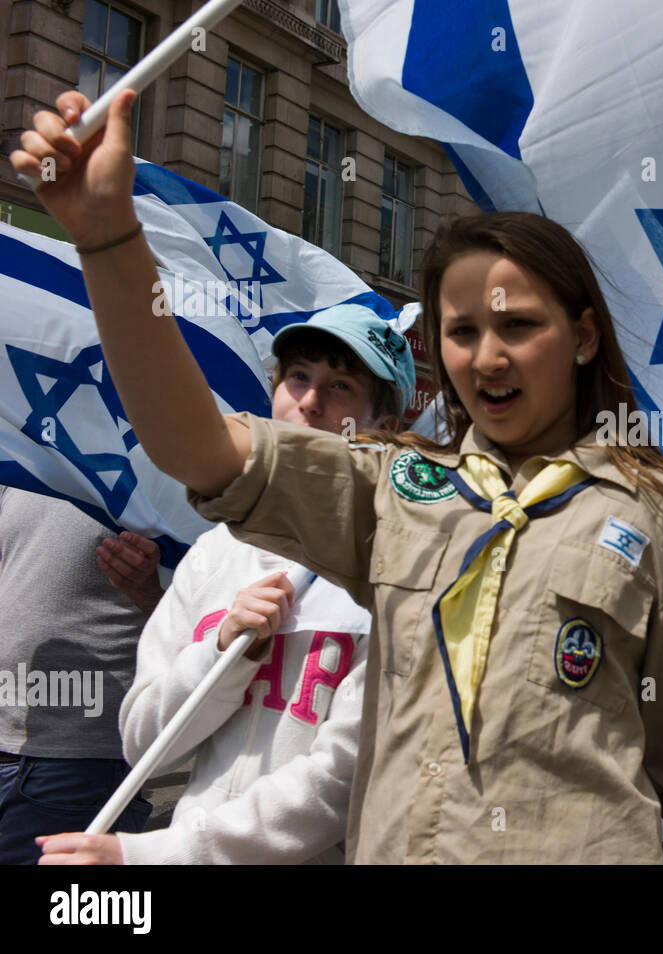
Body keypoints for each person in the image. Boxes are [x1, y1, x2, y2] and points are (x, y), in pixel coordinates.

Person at [12, 89, 663, 864]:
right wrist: (110, 244)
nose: (489, 357)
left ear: (582, 336)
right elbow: (196, 447)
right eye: (463, 331)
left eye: (520, 326)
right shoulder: (392, 489)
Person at [35, 306, 411, 865]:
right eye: (299, 377)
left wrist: (153, 855)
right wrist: (224, 653)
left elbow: (340, 783)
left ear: (383, 423)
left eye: (341, 387)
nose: (309, 402)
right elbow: (143, 744)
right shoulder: (214, 553)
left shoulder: (398, 568)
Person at [0, 490, 161, 864]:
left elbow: (202, 617)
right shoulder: (23, 465)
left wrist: (148, 589)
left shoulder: (150, 477)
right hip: (11, 736)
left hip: (80, 757)